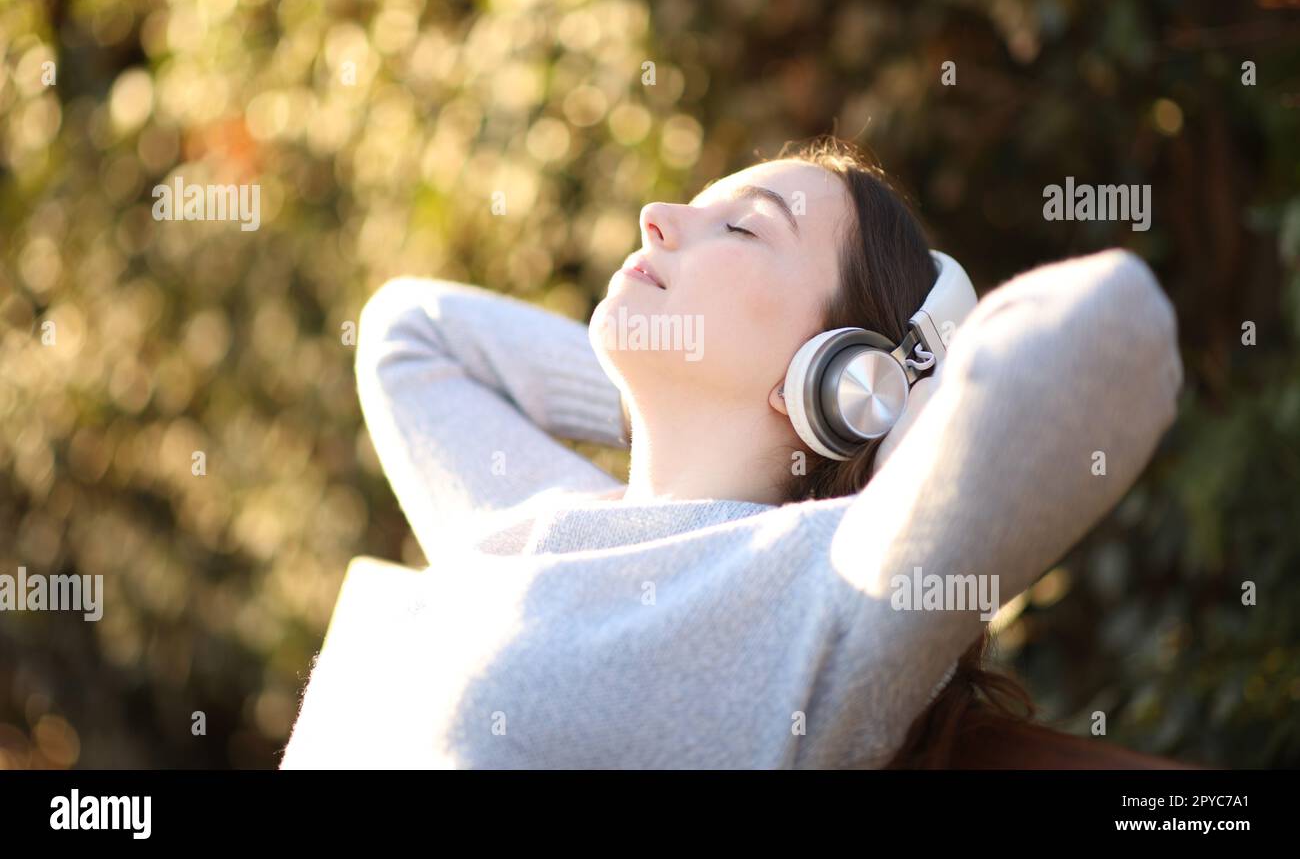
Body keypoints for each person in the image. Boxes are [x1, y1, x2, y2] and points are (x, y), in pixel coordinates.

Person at [281, 137, 1184, 768]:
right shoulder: (532, 518)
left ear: (845, 369)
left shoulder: (832, 590)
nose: (657, 216)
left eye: (744, 227)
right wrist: (714, 400)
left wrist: (875, 416)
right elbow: (412, 335)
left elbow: (1114, 327)